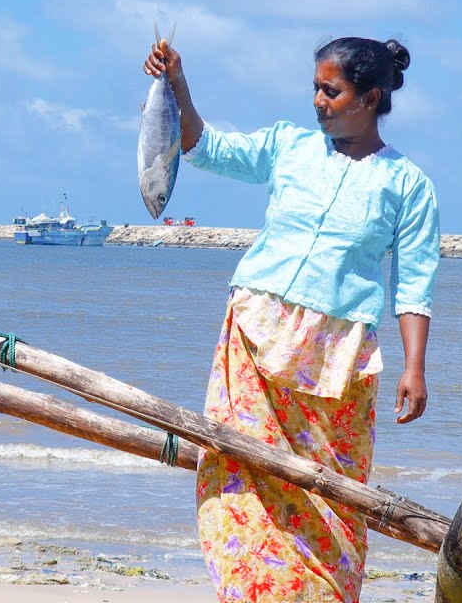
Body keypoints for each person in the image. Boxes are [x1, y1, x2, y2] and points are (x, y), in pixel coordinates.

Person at [143, 36, 439, 602]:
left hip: (338, 351)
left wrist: (415, 368)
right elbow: (203, 147)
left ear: (370, 96)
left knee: (332, 486)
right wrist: (177, 85)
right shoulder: (287, 146)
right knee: (240, 464)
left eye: (332, 91)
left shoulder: (408, 185)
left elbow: (415, 284)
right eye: (315, 88)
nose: (318, 101)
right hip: (255, 328)